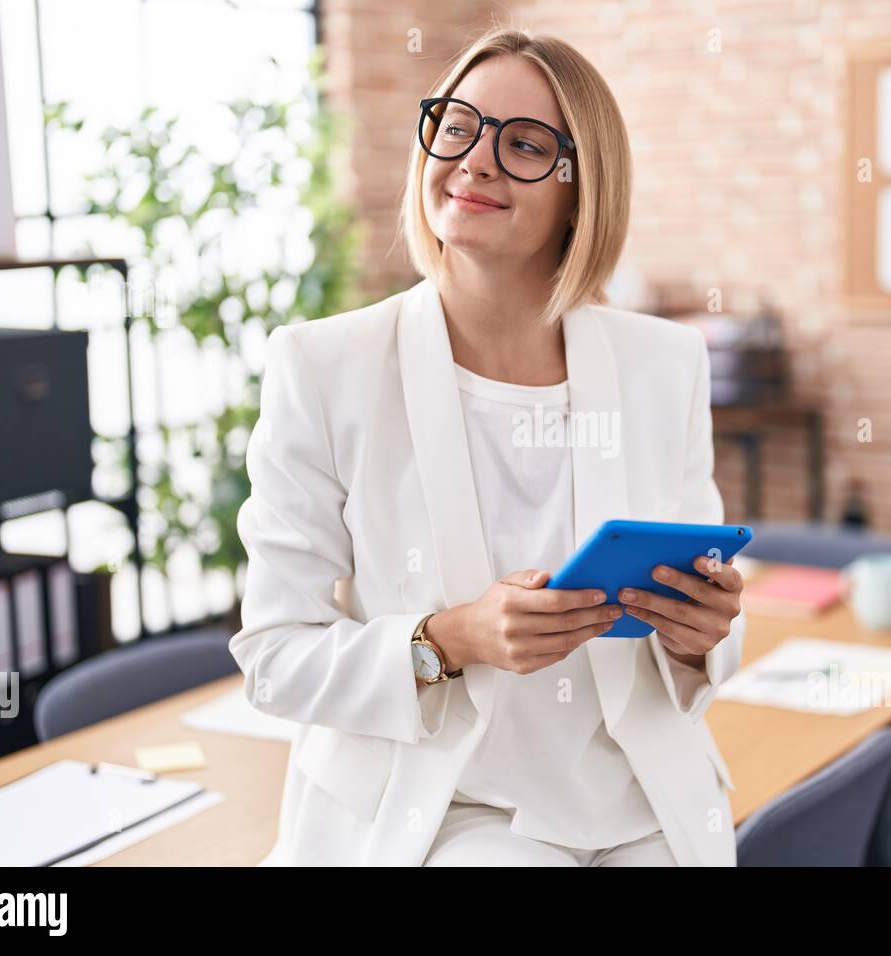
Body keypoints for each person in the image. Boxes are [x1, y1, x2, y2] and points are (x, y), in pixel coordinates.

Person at [229, 27, 745, 867]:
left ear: (583, 188)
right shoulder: (325, 367)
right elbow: (273, 657)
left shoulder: (664, 363)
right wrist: (449, 638)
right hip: (447, 806)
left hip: (639, 796)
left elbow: (704, 618)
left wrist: (702, 631)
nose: (474, 160)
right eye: (457, 126)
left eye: (526, 144)